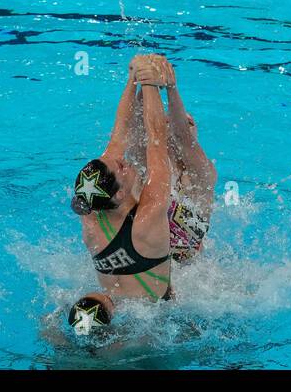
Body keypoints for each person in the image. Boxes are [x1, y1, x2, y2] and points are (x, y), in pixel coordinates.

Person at [66, 54, 214, 336]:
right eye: (120, 168)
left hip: (120, 302)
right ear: (119, 194)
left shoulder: (91, 214)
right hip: (161, 314)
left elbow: (118, 136)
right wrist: (152, 83)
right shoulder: (150, 210)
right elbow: (156, 137)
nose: (121, 161)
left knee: (88, 309)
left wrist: (133, 76)